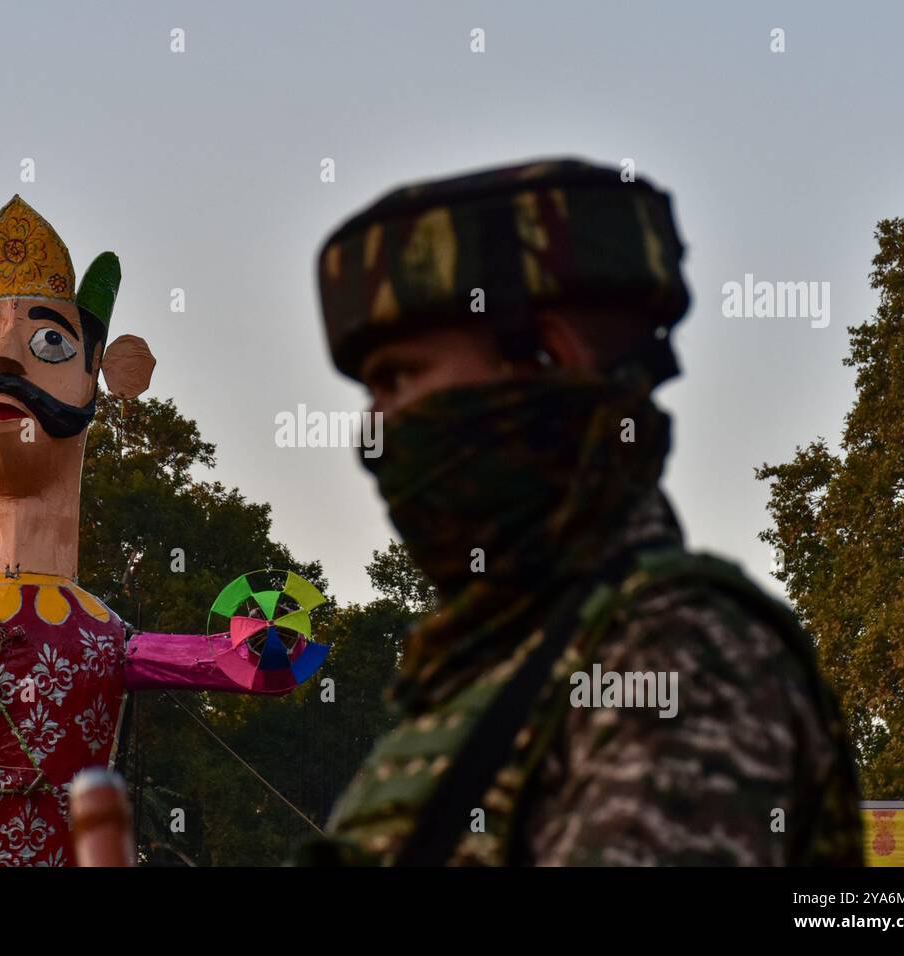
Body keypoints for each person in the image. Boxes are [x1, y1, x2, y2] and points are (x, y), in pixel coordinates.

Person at [301, 158, 864, 866]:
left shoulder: (675, 654)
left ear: (548, 359)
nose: (373, 432)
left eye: (400, 378)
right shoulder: (484, 671)